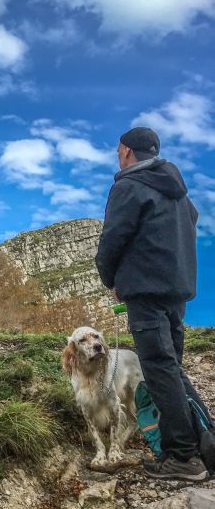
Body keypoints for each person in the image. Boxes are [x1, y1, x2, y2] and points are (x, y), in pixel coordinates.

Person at [95, 126, 211, 482]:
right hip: (177, 290)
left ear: (128, 151)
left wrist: (111, 278)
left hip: (145, 292)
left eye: (118, 150)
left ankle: (183, 457)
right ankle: (205, 445)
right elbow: (191, 224)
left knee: (160, 370)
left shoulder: (128, 185)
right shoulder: (179, 194)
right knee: (171, 369)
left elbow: (114, 237)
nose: (118, 156)